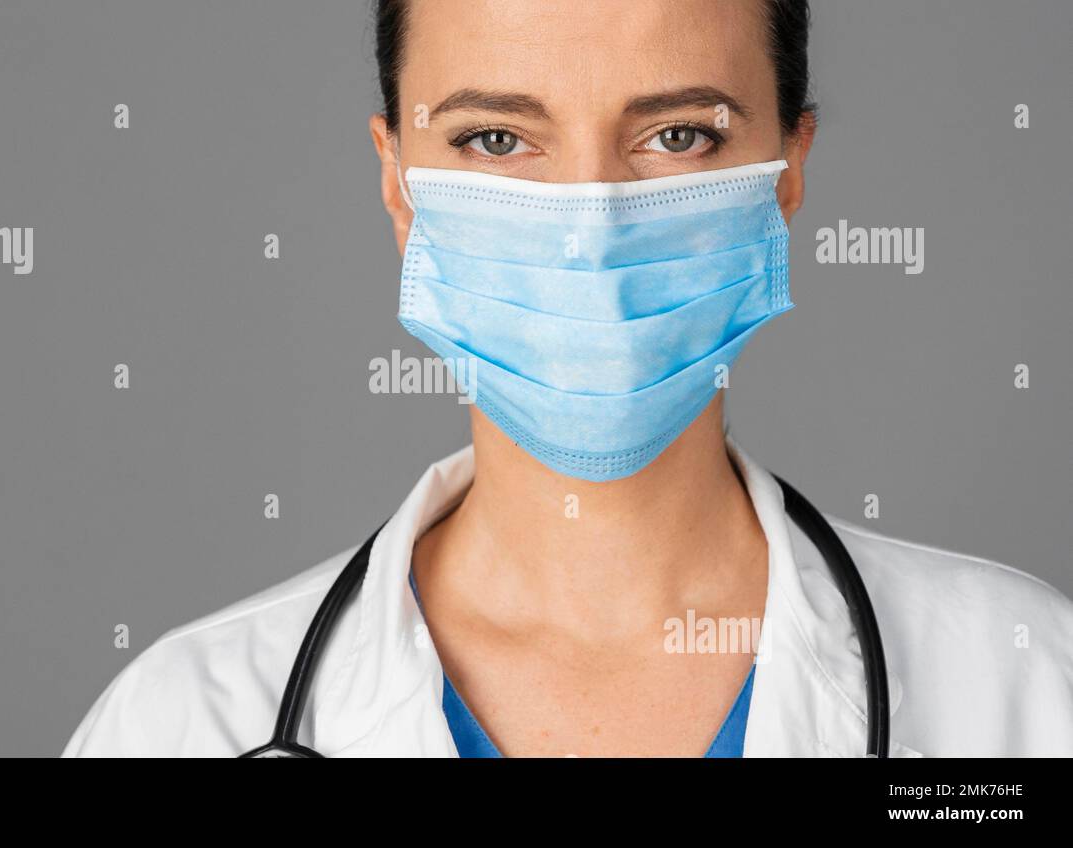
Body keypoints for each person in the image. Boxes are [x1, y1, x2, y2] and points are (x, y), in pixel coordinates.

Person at [64, 0, 1073, 758]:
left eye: (679, 134)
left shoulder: (1024, 682)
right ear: (396, 183)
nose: (590, 224)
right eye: (494, 139)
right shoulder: (181, 721)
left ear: (789, 169)